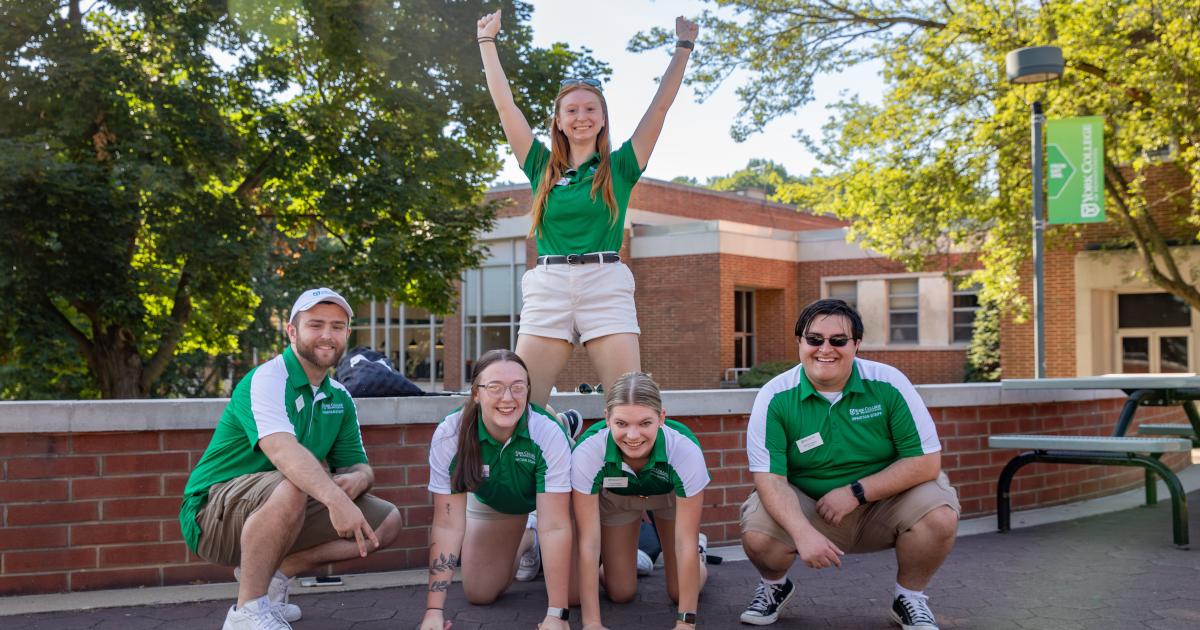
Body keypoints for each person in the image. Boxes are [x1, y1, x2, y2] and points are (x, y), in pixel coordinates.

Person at [475, 9, 699, 409]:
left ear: (602, 119)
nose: (581, 116)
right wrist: (487, 42)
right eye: (572, 110)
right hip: (549, 284)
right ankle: (554, 438)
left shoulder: (621, 167)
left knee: (631, 401)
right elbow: (506, 108)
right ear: (559, 121)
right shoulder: (540, 166)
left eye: (590, 109)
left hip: (605, 282)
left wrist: (683, 47)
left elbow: (659, 108)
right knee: (521, 402)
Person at [179, 288, 402, 630]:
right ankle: (246, 613)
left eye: (338, 326)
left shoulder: (339, 396)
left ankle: (273, 581)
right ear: (292, 331)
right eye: (316, 325)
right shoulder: (266, 379)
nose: (327, 335)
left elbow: (358, 464)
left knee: (386, 522)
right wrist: (334, 499)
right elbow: (283, 451)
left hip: (283, 503)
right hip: (212, 514)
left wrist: (359, 479)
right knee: (294, 483)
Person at [739, 299, 960, 629]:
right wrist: (802, 532)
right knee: (757, 532)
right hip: (813, 507)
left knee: (940, 514)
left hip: (884, 504)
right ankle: (774, 588)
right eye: (814, 339)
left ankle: (909, 598)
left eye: (838, 340)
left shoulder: (888, 383)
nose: (825, 349)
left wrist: (857, 492)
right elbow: (770, 478)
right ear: (800, 342)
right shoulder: (774, 395)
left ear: (856, 344)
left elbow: (925, 461)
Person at [420, 349, 574, 630]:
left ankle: (564, 426)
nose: (508, 398)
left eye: (518, 388)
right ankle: (528, 537)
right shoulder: (450, 435)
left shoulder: (544, 432)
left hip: (553, 502)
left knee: (574, 595)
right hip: (496, 499)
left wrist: (556, 614)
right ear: (476, 393)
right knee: (480, 593)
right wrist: (433, 612)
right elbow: (447, 525)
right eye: (495, 387)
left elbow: (554, 525)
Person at [572, 372, 710, 630]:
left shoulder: (684, 449)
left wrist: (685, 624)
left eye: (645, 423)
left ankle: (700, 556)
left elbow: (684, 542)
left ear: (662, 418)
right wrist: (591, 623)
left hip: (669, 496)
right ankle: (625, 558)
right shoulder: (589, 450)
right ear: (607, 419)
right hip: (618, 498)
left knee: (681, 592)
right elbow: (589, 543)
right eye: (622, 424)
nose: (633, 436)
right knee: (620, 592)